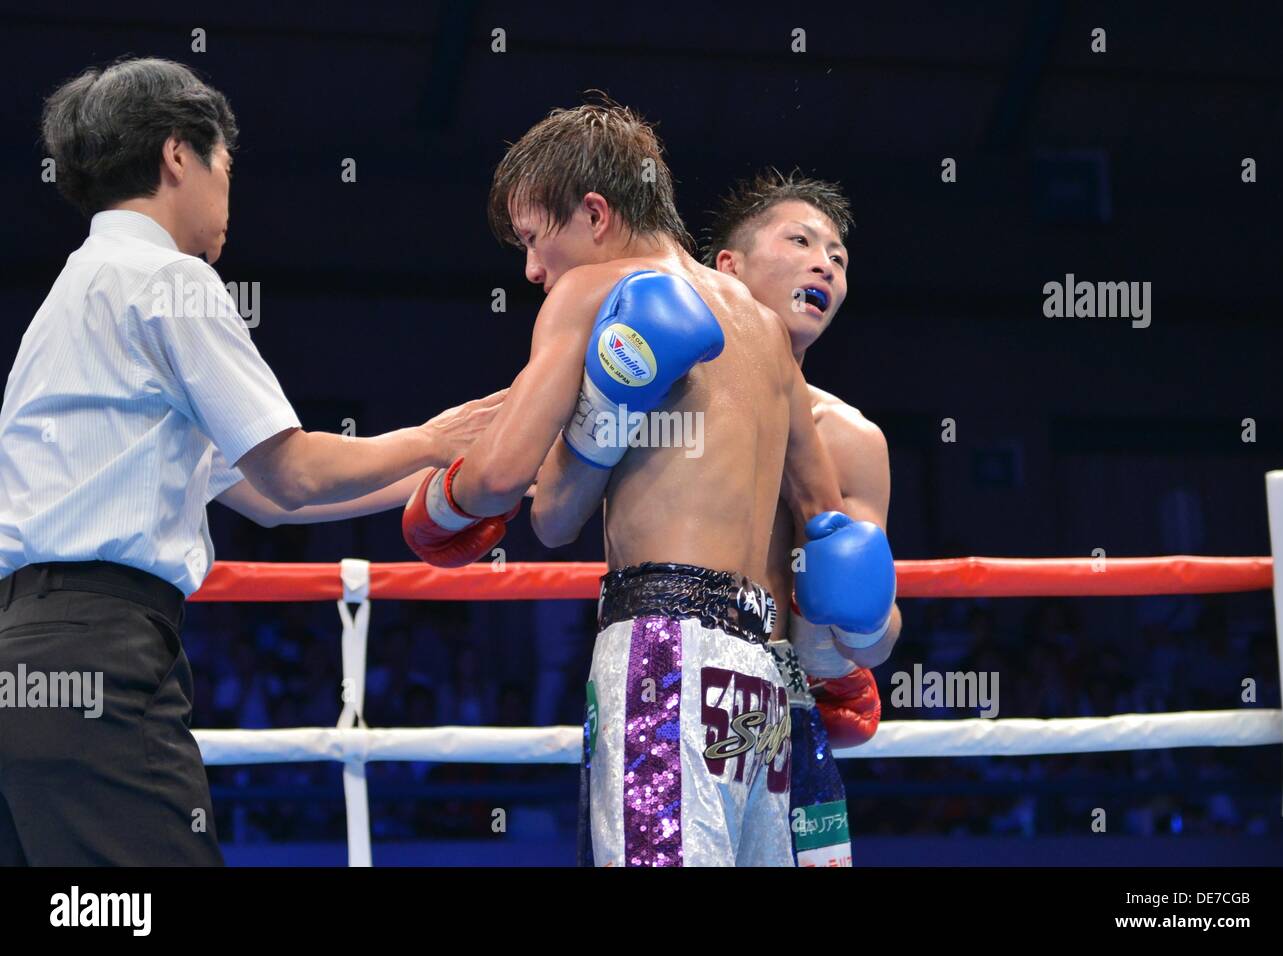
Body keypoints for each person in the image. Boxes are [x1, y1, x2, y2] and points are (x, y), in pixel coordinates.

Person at [0, 57, 497, 865]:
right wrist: (446, 435)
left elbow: (272, 499)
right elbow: (293, 470)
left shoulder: (74, 292)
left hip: (26, 660)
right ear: (176, 155)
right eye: (225, 164)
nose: (231, 191)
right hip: (100, 656)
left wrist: (447, 481)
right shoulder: (172, 281)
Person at [402, 99, 895, 865]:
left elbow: (511, 486)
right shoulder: (764, 331)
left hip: (662, 649)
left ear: (595, 214)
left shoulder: (592, 292)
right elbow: (828, 524)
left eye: (535, 239)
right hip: (761, 681)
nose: (532, 270)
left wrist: (439, 505)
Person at [705, 170, 903, 866]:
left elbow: (876, 641)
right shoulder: (666, 400)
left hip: (790, 712)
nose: (826, 262)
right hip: (673, 674)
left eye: (839, 256)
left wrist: (859, 621)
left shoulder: (851, 437)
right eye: (801, 240)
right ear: (729, 267)